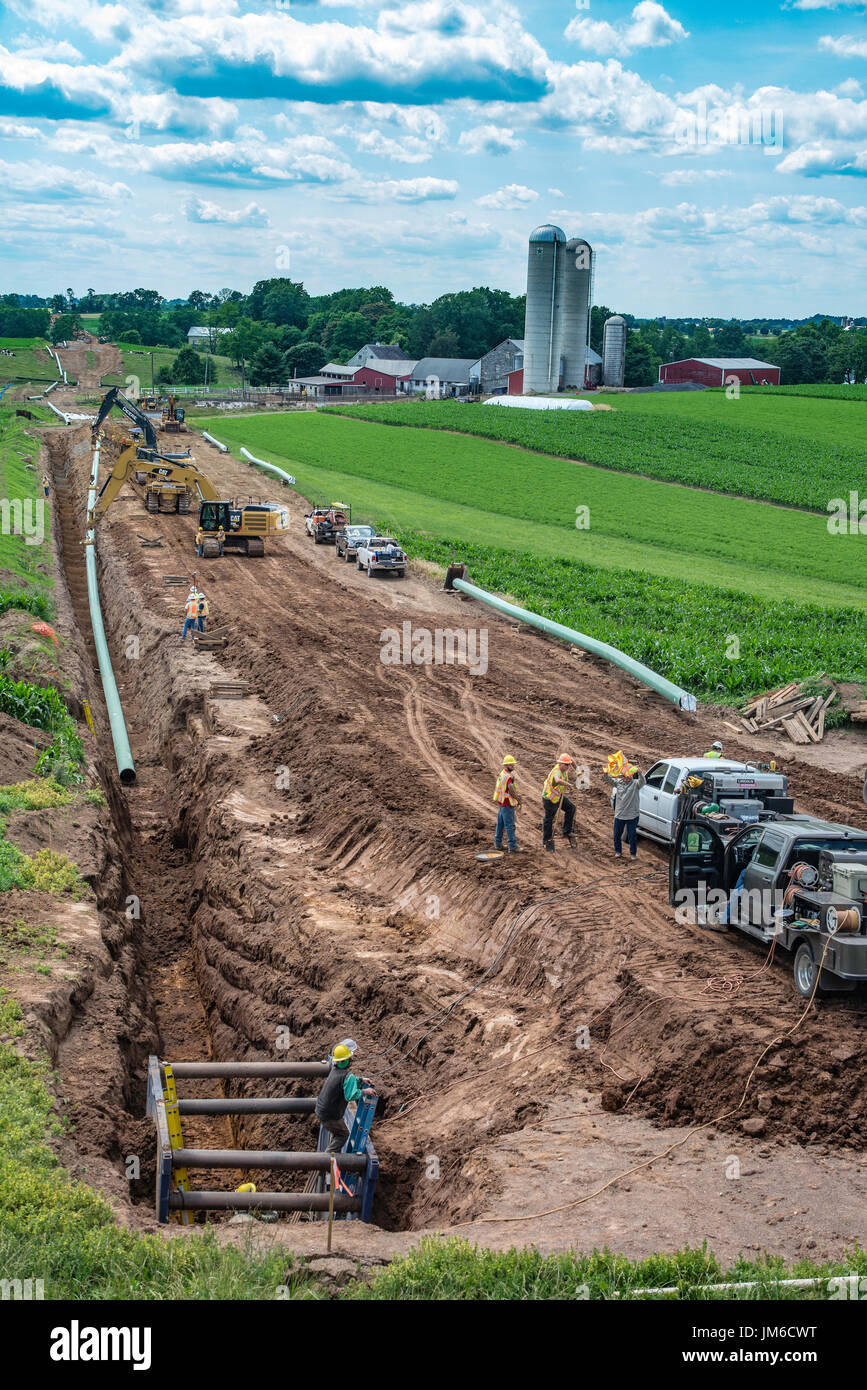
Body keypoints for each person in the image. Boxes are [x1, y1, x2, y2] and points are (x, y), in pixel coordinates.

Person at [315, 1042, 375, 1155]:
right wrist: (365, 1091)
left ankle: (333, 1156)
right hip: (330, 1116)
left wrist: (360, 1080)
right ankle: (327, 1158)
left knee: (337, 1133)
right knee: (343, 1134)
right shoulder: (348, 1076)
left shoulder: (335, 1071)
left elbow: (346, 1084)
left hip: (322, 1111)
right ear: (347, 1060)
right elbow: (350, 1095)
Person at [604, 755, 645, 860]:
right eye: (624, 776)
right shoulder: (618, 784)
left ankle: (633, 854)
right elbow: (608, 780)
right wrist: (606, 773)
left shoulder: (635, 784)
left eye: (628, 776)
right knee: (617, 835)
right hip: (620, 815)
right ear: (622, 776)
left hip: (632, 815)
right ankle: (618, 852)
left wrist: (640, 772)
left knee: (632, 836)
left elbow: (643, 782)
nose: (626, 778)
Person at [542, 753, 578, 852]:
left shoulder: (565, 768)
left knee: (571, 808)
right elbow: (557, 780)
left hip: (558, 796)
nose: (567, 767)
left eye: (568, 765)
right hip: (549, 798)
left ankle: (566, 831)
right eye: (566, 765)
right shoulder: (556, 771)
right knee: (549, 819)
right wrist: (569, 785)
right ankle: (546, 840)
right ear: (560, 763)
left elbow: (571, 759)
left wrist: (577, 769)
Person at [492, 754, 522, 854]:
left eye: (513, 764)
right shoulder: (508, 777)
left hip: (501, 802)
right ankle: (513, 847)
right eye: (511, 764)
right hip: (507, 803)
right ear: (506, 765)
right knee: (510, 825)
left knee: (500, 824)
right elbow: (511, 790)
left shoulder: (502, 773)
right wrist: (518, 798)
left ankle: (498, 844)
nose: (513, 766)